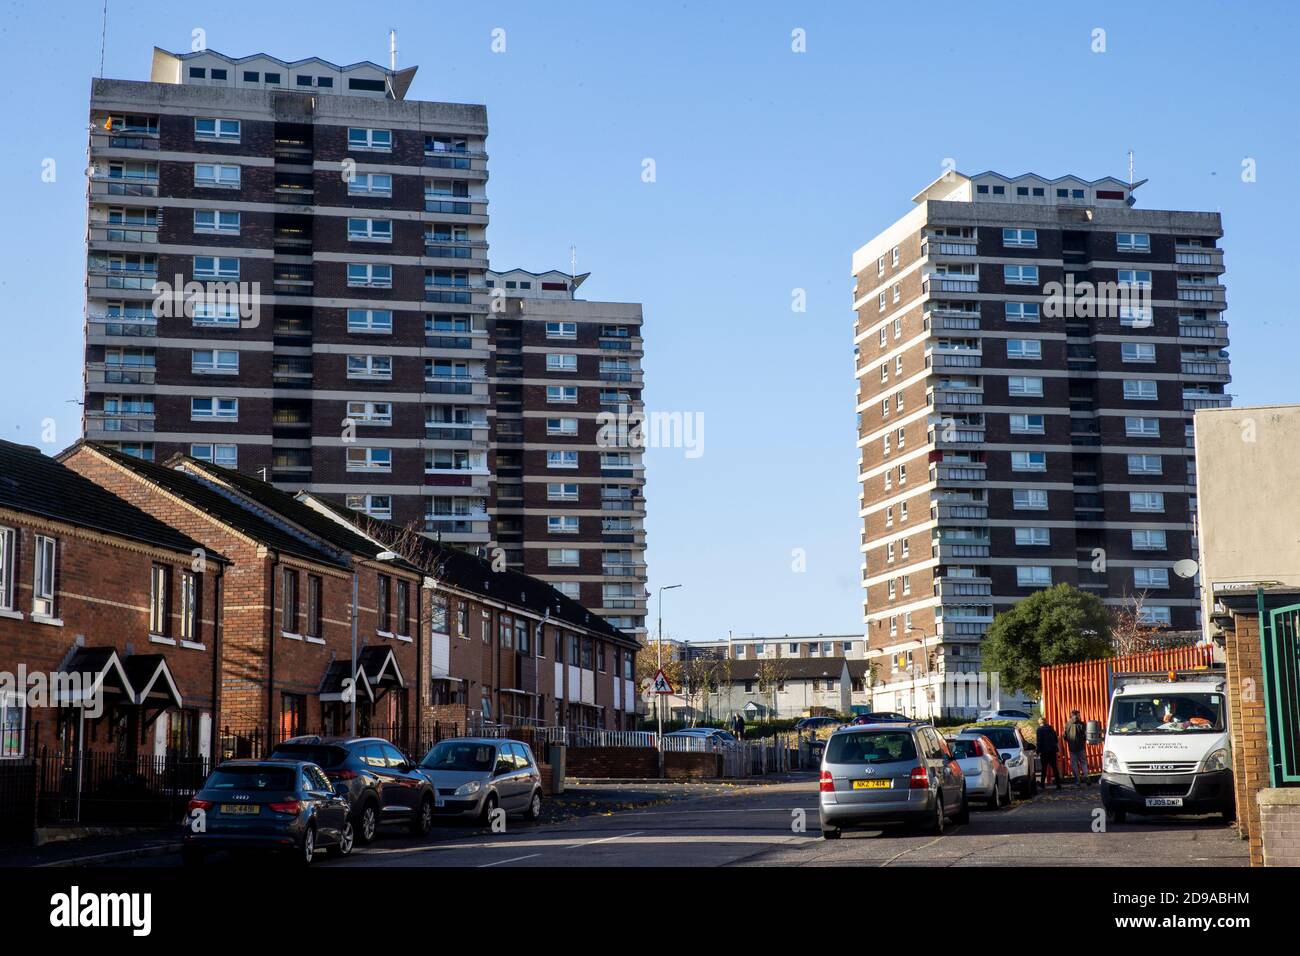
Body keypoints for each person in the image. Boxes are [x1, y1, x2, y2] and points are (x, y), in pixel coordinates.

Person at [1062, 709, 1089, 786]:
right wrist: (1083, 740)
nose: (1080, 716)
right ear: (1076, 715)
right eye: (1079, 715)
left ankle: (1077, 780)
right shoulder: (1081, 724)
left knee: (1074, 764)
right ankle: (1086, 777)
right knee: (1083, 762)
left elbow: (1064, 736)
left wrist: (1070, 741)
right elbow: (1085, 735)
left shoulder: (1067, 724)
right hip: (1081, 747)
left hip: (1072, 748)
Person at [1036, 718, 1062, 790]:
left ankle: (1042, 784)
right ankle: (1058, 784)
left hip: (1044, 751)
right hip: (1052, 750)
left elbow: (1039, 741)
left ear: (1040, 722)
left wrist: (1038, 751)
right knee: (1054, 767)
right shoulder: (1051, 729)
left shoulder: (1039, 730)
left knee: (1044, 768)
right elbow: (1056, 740)